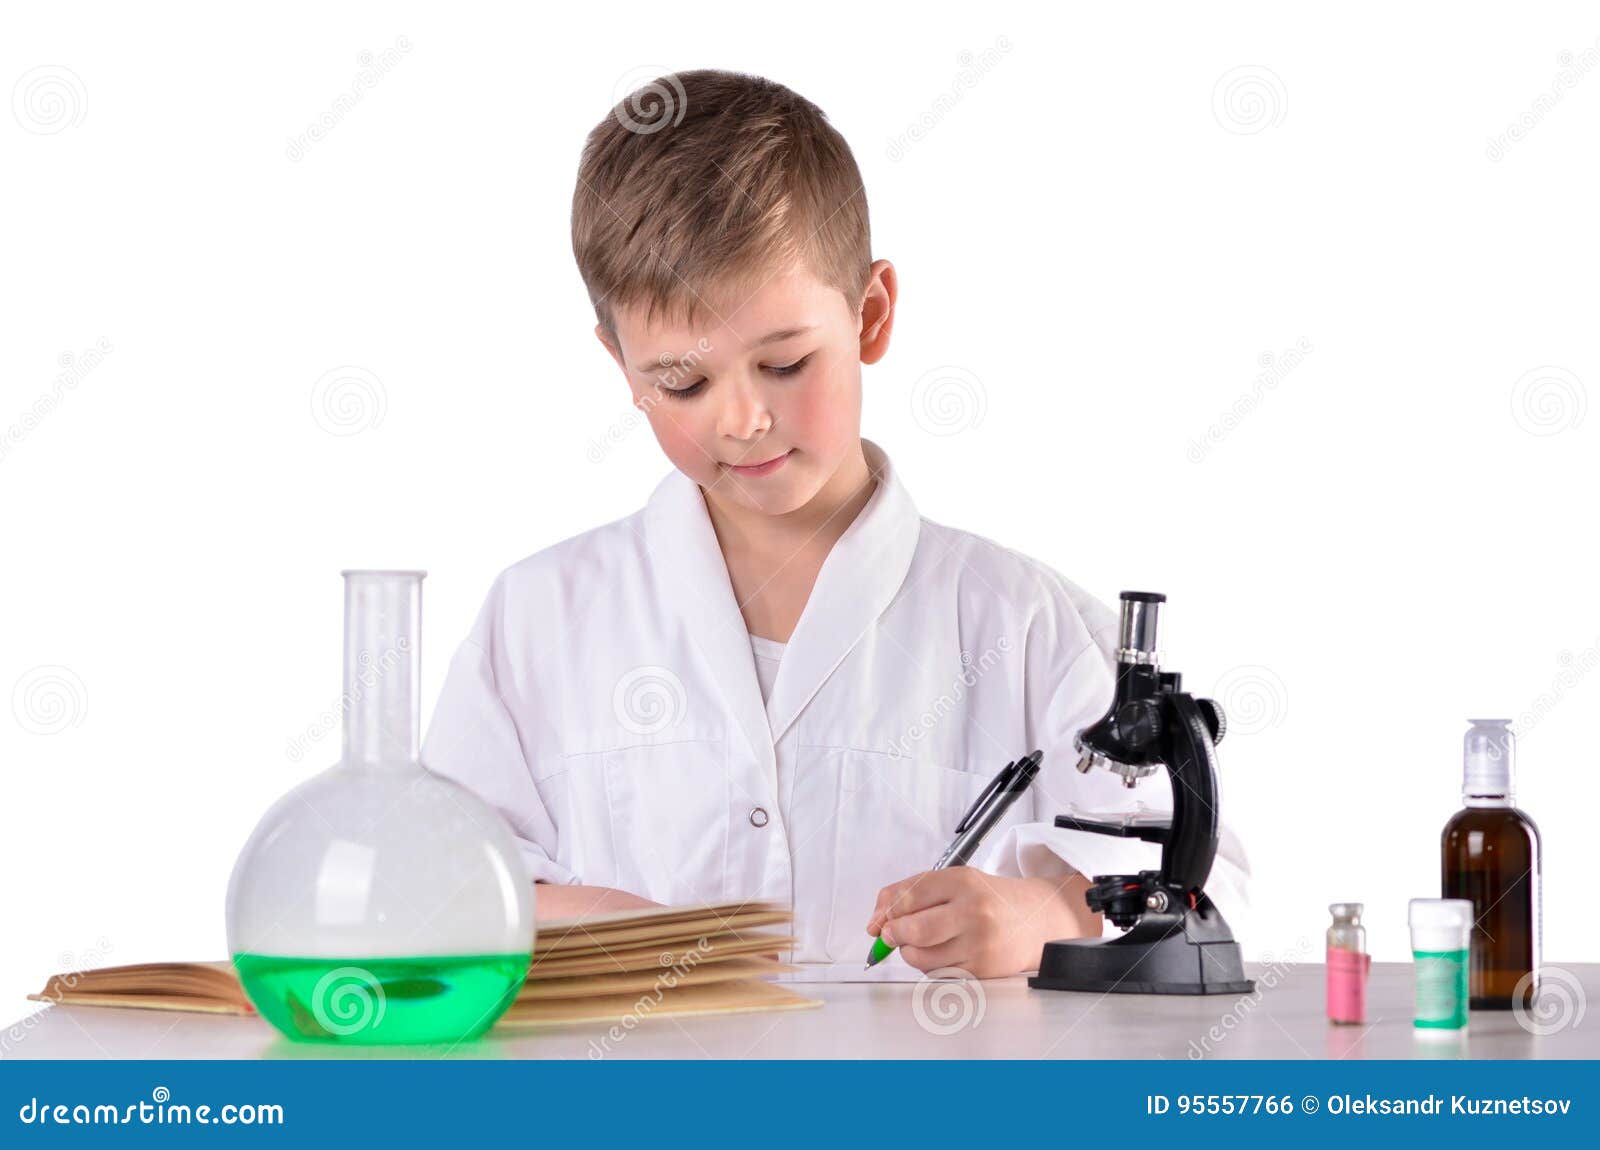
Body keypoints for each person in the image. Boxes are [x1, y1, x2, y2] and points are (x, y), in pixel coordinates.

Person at [422, 69, 1249, 980]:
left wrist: (1039, 914)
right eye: (682, 383)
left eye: (784, 363)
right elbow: (435, 888)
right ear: (621, 366)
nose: (741, 419)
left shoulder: (1024, 626)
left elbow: (1217, 894)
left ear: (872, 314)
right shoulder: (537, 620)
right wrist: (623, 932)